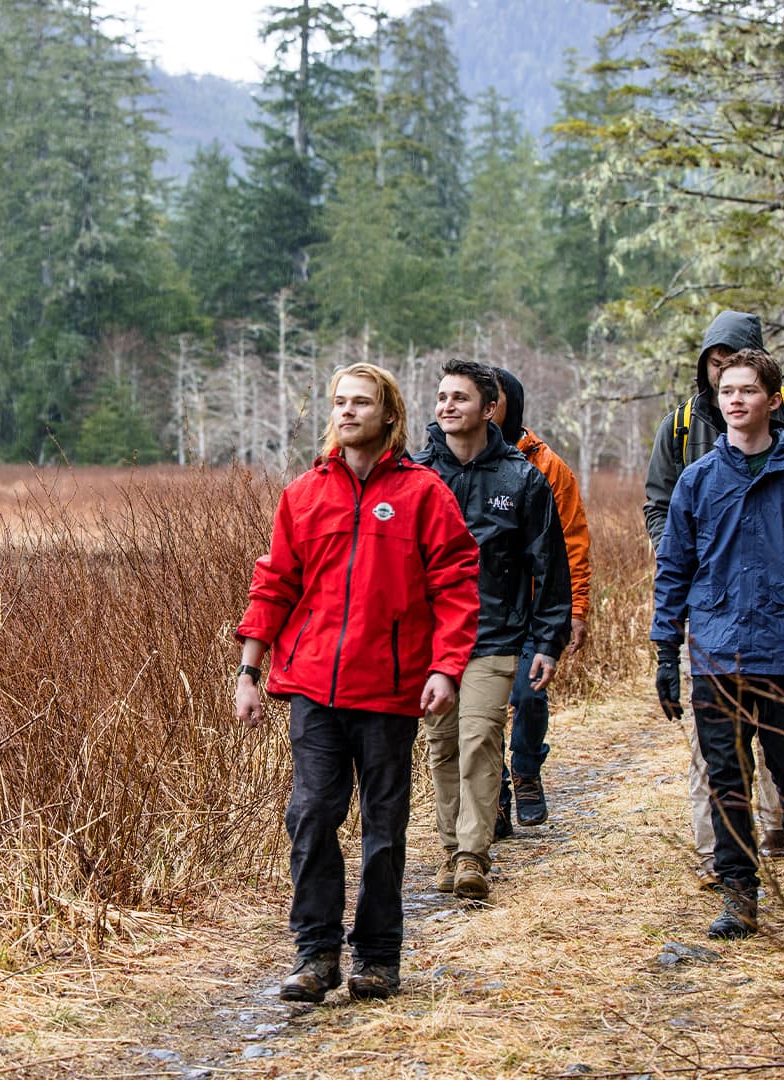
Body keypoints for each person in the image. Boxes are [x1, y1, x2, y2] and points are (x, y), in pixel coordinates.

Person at [233, 362, 482, 1003]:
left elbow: (456, 588)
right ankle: (315, 956)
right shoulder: (303, 495)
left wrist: (446, 668)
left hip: (390, 691)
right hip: (313, 687)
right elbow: (275, 585)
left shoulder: (425, 493)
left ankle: (376, 957)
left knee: (384, 827)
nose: (347, 412)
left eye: (361, 403)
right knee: (312, 816)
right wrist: (248, 671)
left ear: (388, 415)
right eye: (340, 402)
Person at [652, 348, 784, 938]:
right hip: (716, 649)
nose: (735, 399)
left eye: (746, 390)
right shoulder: (698, 481)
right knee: (725, 776)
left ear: (771, 399)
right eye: (726, 391)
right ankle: (739, 893)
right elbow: (675, 569)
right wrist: (666, 649)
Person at [413, 359, 571, 903]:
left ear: (489, 410)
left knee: (480, 739)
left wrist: (548, 640)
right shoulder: (418, 475)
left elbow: (550, 565)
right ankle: (450, 848)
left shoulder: (522, 478)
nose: (447, 406)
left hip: (496, 632)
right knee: (442, 743)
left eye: (459, 397)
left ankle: (474, 856)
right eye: (441, 397)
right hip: (430, 639)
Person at [491, 367, 591, 829]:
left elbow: (573, 542)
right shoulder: (455, 463)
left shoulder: (548, 467)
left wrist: (576, 610)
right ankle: (493, 791)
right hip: (485, 608)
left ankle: (527, 771)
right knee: (481, 705)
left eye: (492, 399)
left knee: (529, 696)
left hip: (535, 606)